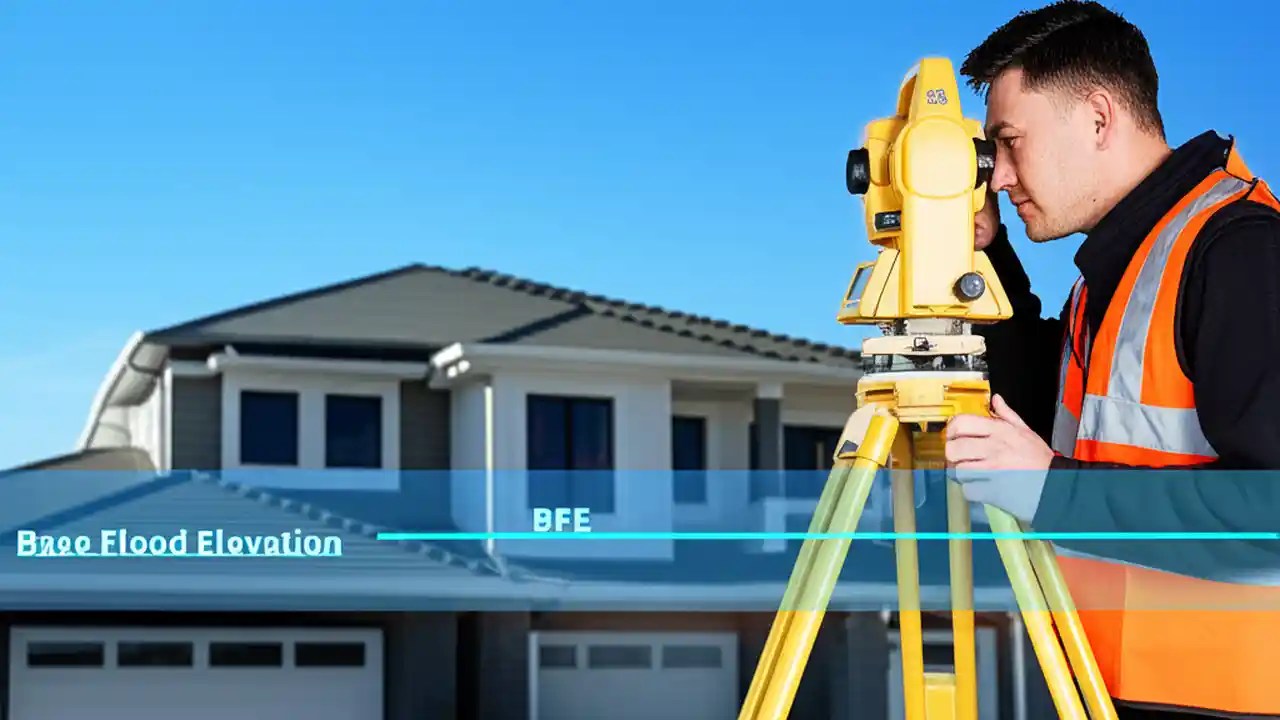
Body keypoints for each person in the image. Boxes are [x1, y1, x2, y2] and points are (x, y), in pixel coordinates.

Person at [918, 1, 1280, 718]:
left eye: (1011, 142)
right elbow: (1041, 410)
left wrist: (1055, 492)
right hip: (1106, 688)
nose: (999, 175)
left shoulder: (1240, 252)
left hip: (1231, 701)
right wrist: (988, 255)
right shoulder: (1119, 274)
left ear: (1098, 116)